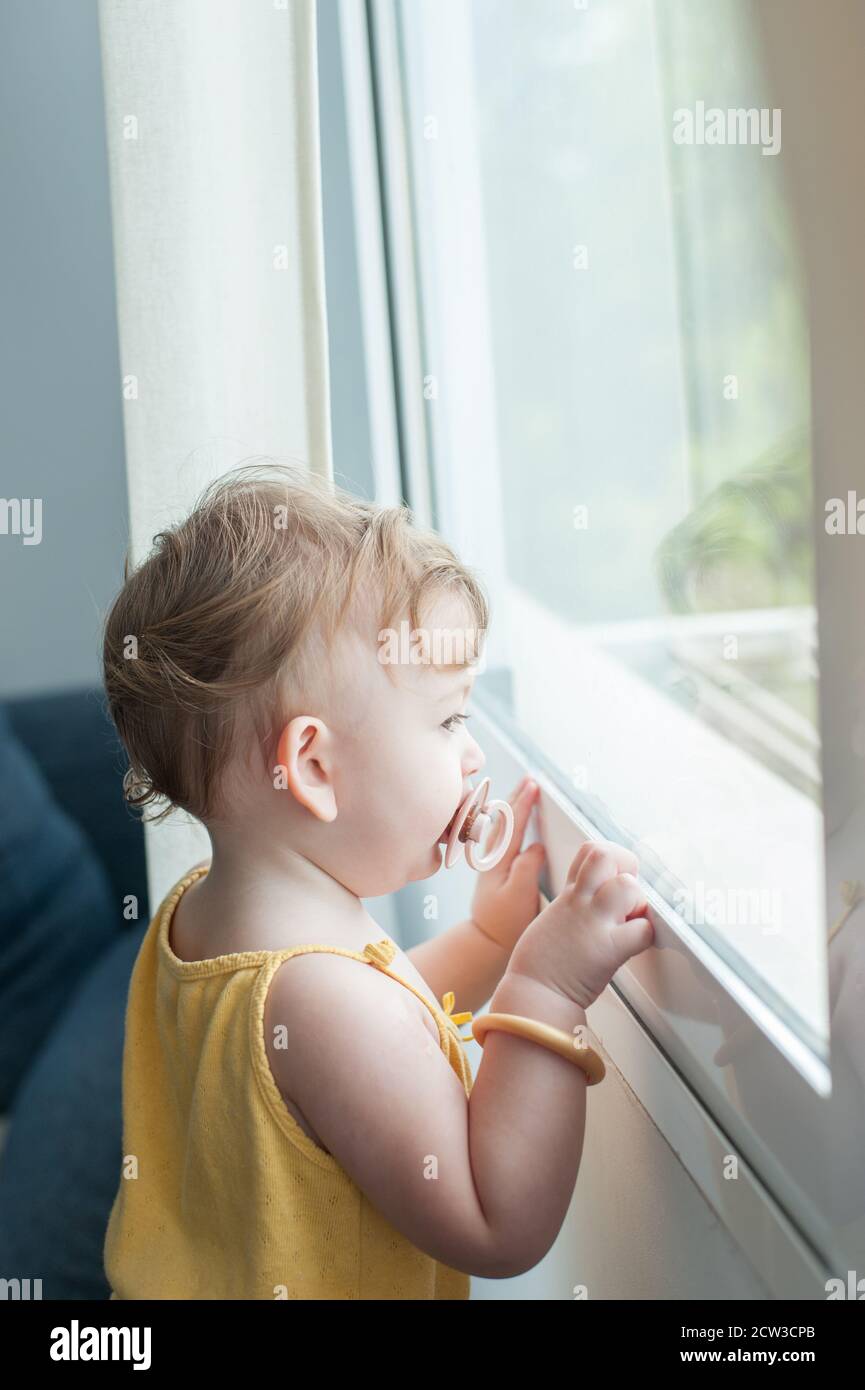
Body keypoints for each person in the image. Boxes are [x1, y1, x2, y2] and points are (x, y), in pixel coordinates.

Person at [101, 461, 654, 1299]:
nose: (471, 755)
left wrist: (488, 943)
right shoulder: (321, 1005)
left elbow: (366, 1040)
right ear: (314, 768)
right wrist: (545, 987)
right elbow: (495, 1223)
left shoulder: (200, 920)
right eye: (447, 720)